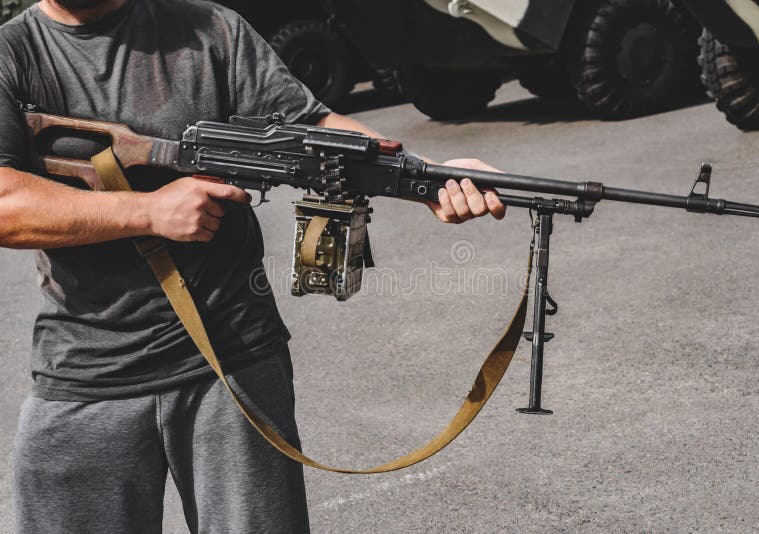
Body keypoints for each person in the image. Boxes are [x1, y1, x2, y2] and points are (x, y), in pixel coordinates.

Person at [0, 0, 507, 532]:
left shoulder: (211, 29)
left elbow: (314, 127)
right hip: (85, 371)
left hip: (234, 359)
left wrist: (427, 177)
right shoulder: (14, 53)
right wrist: (150, 211)